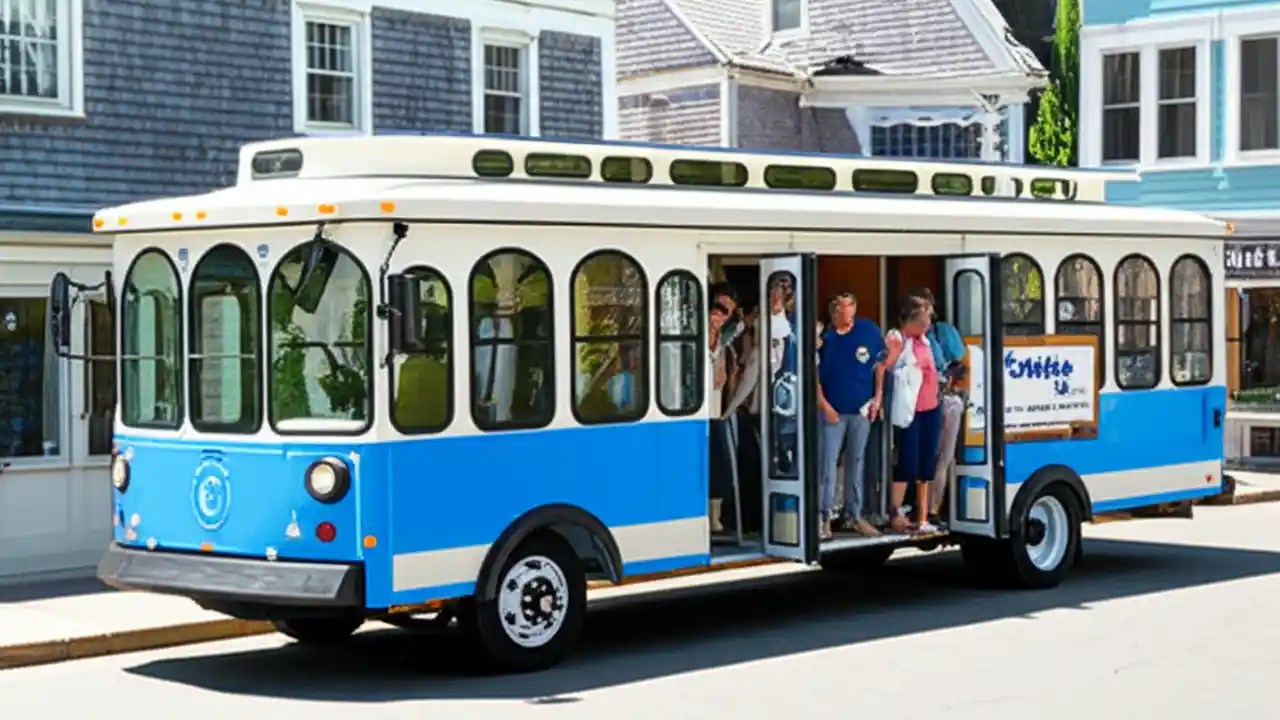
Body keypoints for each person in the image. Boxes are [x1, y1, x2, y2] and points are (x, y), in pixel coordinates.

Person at [816, 292, 885, 539]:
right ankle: (823, 518)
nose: (844, 312)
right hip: (832, 412)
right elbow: (812, 375)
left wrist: (877, 398)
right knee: (827, 466)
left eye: (848, 306)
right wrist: (824, 406)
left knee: (856, 463)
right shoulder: (825, 338)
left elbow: (880, 365)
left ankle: (854, 516)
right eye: (840, 307)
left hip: (860, 411)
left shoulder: (867, 331)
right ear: (833, 311)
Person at [883, 297, 942, 534]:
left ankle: (922, 516)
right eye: (925, 319)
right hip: (910, 410)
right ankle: (895, 513)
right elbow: (888, 367)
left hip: (931, 407)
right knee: (907, 460)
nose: (928, 324)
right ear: (913, 319)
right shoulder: (898, 339)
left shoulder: (925, 341)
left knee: (926, 462)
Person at [909, 287, 966, 522]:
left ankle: (929, 509)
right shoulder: (921, 336)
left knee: (940, 457)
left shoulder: (941, 333)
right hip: (925, 400)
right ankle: (925, 510)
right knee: (935, 457)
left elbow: (961, 362)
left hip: (942, 398)